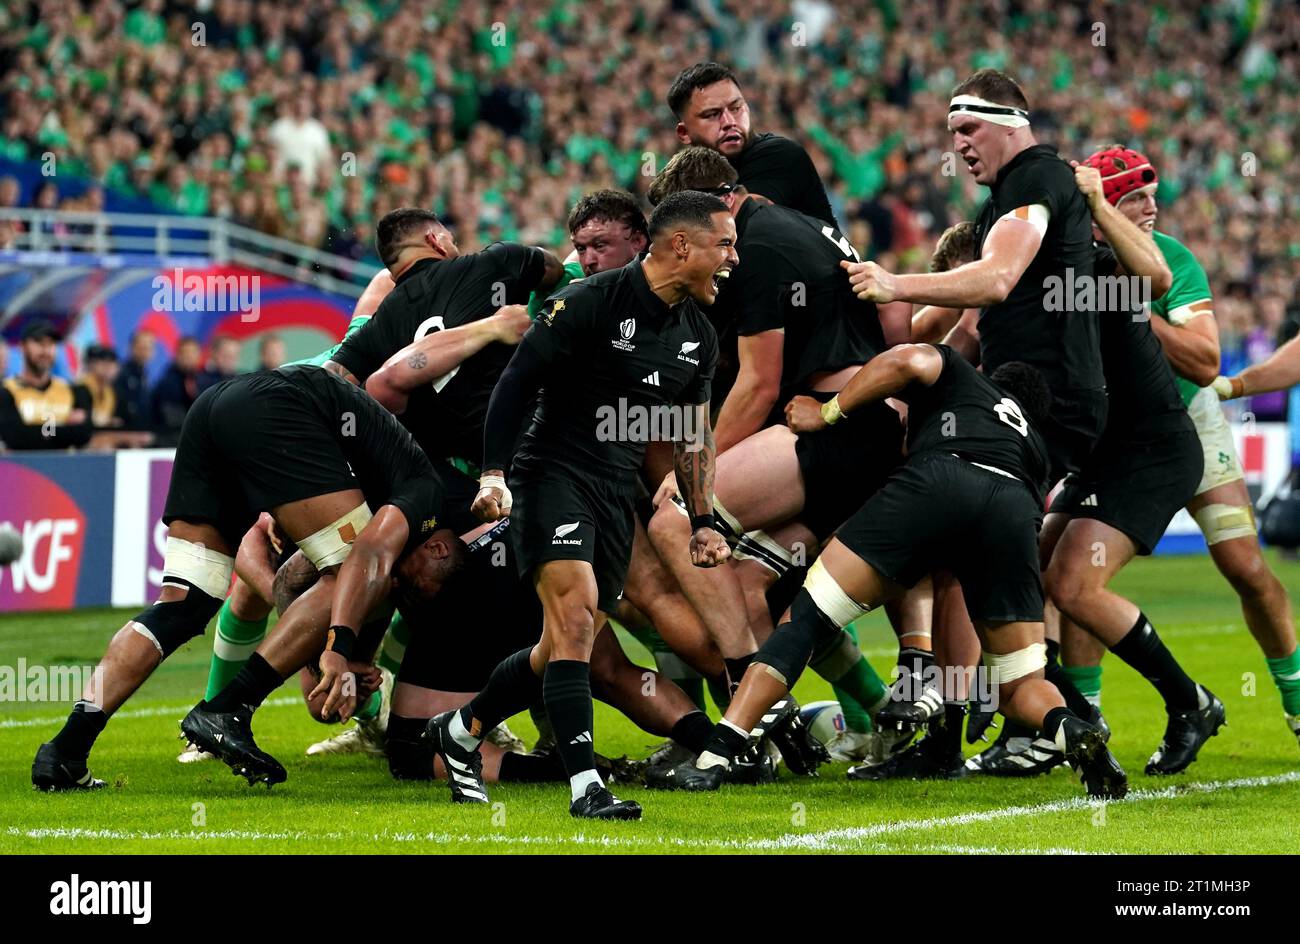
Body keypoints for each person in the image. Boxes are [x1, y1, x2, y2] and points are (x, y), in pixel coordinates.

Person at [652, 344, 1127, 800]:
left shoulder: (962, 374)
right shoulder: (1035, 448)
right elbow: (960, 583)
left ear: (991, 380)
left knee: (807, 620)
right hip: (1015, 510)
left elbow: (907, 360)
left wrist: (828, 412)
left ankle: (714, 757)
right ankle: (1069, 726)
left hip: (939, 477)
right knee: (1020, 682)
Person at [424, 191, 734, 821]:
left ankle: (459, 730)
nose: (733, 258)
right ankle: (586, 788)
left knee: (560, 645)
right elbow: (515, 384)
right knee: (573, 619)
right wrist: (494, 475)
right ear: (682, 246)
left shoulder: (699, 334)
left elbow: (693, 436)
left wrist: (703, 522)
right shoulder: (591, 301)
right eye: (724, 244)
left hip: (616, 494)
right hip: (552, 474)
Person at [33, 365, 449, 790]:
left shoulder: (355, 480)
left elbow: (314, 583)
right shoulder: (424, 491)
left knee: (183, 605)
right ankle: (229, 708)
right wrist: (338, 649)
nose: (408, 590)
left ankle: (66, 750)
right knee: (352, 572)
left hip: (213, 408)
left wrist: (335, 651)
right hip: (272, 406)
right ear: (439, 547)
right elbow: (359, 564)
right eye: (420, 588)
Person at [1070, 145, 1298, 750]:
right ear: (1098, 210)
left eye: (1152, 195)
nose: (1151, 208)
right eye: (1133, 199)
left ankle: (1298, 703)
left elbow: (1204, 361)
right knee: (1075, 571)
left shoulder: (1171, 259)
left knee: (1245, 566)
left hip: (1189, 421)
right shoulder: (1070, 266)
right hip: (1112, 436)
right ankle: (1087, 718)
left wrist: (1132, 311)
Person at [667, 62, 836, 226]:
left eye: (736, 108)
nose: (729, 122)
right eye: (712, 114)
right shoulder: (687, 178)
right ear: (684, 133)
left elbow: (743, 225)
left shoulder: (779, 155)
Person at [0, 319, 93, 450]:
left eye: (51, 343)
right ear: (22, 347)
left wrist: (36, 429)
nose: (46, 350)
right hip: (23, 463)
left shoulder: (74, 391)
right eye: (39, 342)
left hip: (65, 462)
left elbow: (84, 435)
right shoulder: (6, 391)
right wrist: (63, 426)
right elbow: (16, 437)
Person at [151, 336, 203, 445]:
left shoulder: (201, 380)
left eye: (193, 353)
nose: (189, 357)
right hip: (171, 440)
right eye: (186, 353)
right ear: (177, 355)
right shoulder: (167, 384)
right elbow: (171, 420)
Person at [114, 329, 156, 431]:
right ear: (131, 348)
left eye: (148, 348)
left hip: (143, 428)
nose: (144, 352)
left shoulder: (144, 374)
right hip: (126, 430)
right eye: (141, 347)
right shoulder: (121, 374)